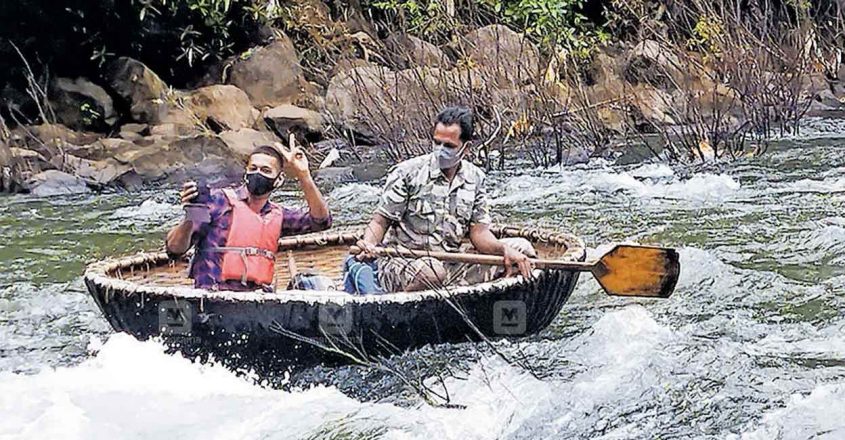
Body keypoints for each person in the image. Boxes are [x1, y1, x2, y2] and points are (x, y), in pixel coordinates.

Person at [348, 106, 535, 293]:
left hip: (453, 263)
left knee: (523, 250)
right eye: (437, 143)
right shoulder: (407, 173)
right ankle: (400, 307)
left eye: (449, 146)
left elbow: (479, 234)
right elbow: (380, 221)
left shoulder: (475, 177)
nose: (440, 151)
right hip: (404, 264)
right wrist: (369, 244)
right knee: (432, 272)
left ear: (466, 148)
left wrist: (503, 250)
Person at [166, 142, 331, 292]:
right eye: (253, 168)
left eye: (266, 170)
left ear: (279, 180)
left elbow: (321, 221)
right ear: (246, 172)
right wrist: (191, 212)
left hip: (256, 303)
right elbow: (174, 250)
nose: (257, 174)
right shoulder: (216, 201)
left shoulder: (277, 214)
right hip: (212, 299)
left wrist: (304, 175)